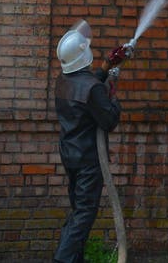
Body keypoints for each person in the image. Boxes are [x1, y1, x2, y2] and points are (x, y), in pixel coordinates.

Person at [53, 20, 123, 263]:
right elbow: (110, 120)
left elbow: (85, 86)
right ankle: (62, 260)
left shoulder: (62, 80)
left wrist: (105, 68)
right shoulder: (93, 89)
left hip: (70, 154)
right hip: (88, 160)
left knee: (78, 212)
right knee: (84, 215)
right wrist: (112, 93)